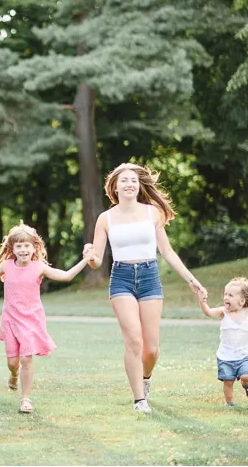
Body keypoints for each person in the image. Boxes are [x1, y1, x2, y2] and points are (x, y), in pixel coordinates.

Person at [83, 162, 208, 414]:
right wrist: (91, 255)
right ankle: (139, 400)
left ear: (139, 186)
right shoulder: (105, 218)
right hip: (122, 278)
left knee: (151, 349)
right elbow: (96, 261)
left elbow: (168, 253)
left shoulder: (152, 213)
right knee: (133, 340)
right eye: (124, 181)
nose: (129, 184)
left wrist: (192, 280)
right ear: (115, 187)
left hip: (150, 277)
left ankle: (145, 378)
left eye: (133, 180)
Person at [0, 222, 91, 414]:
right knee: (13, 363)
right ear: (12, 249)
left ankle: (25, 399)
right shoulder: (6, 266)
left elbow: (66, 276)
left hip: (31, 320)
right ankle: (13, 375)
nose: (23, 249)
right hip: (10, 319)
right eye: (19, 246)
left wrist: (86, 260)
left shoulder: (39, 267)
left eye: (27, 245)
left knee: (26, 358)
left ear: (35, 247)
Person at [198, 276, 248, 406]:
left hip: (243, 354)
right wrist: (202, 302)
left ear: (241, 301)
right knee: (228, 382)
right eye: (225, 294)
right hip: (225, 356)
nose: (226, 297)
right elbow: (208, 312)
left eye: (230, 295)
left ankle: (247, 385)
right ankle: (229, 403)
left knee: (246, 376)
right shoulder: (223, 312)